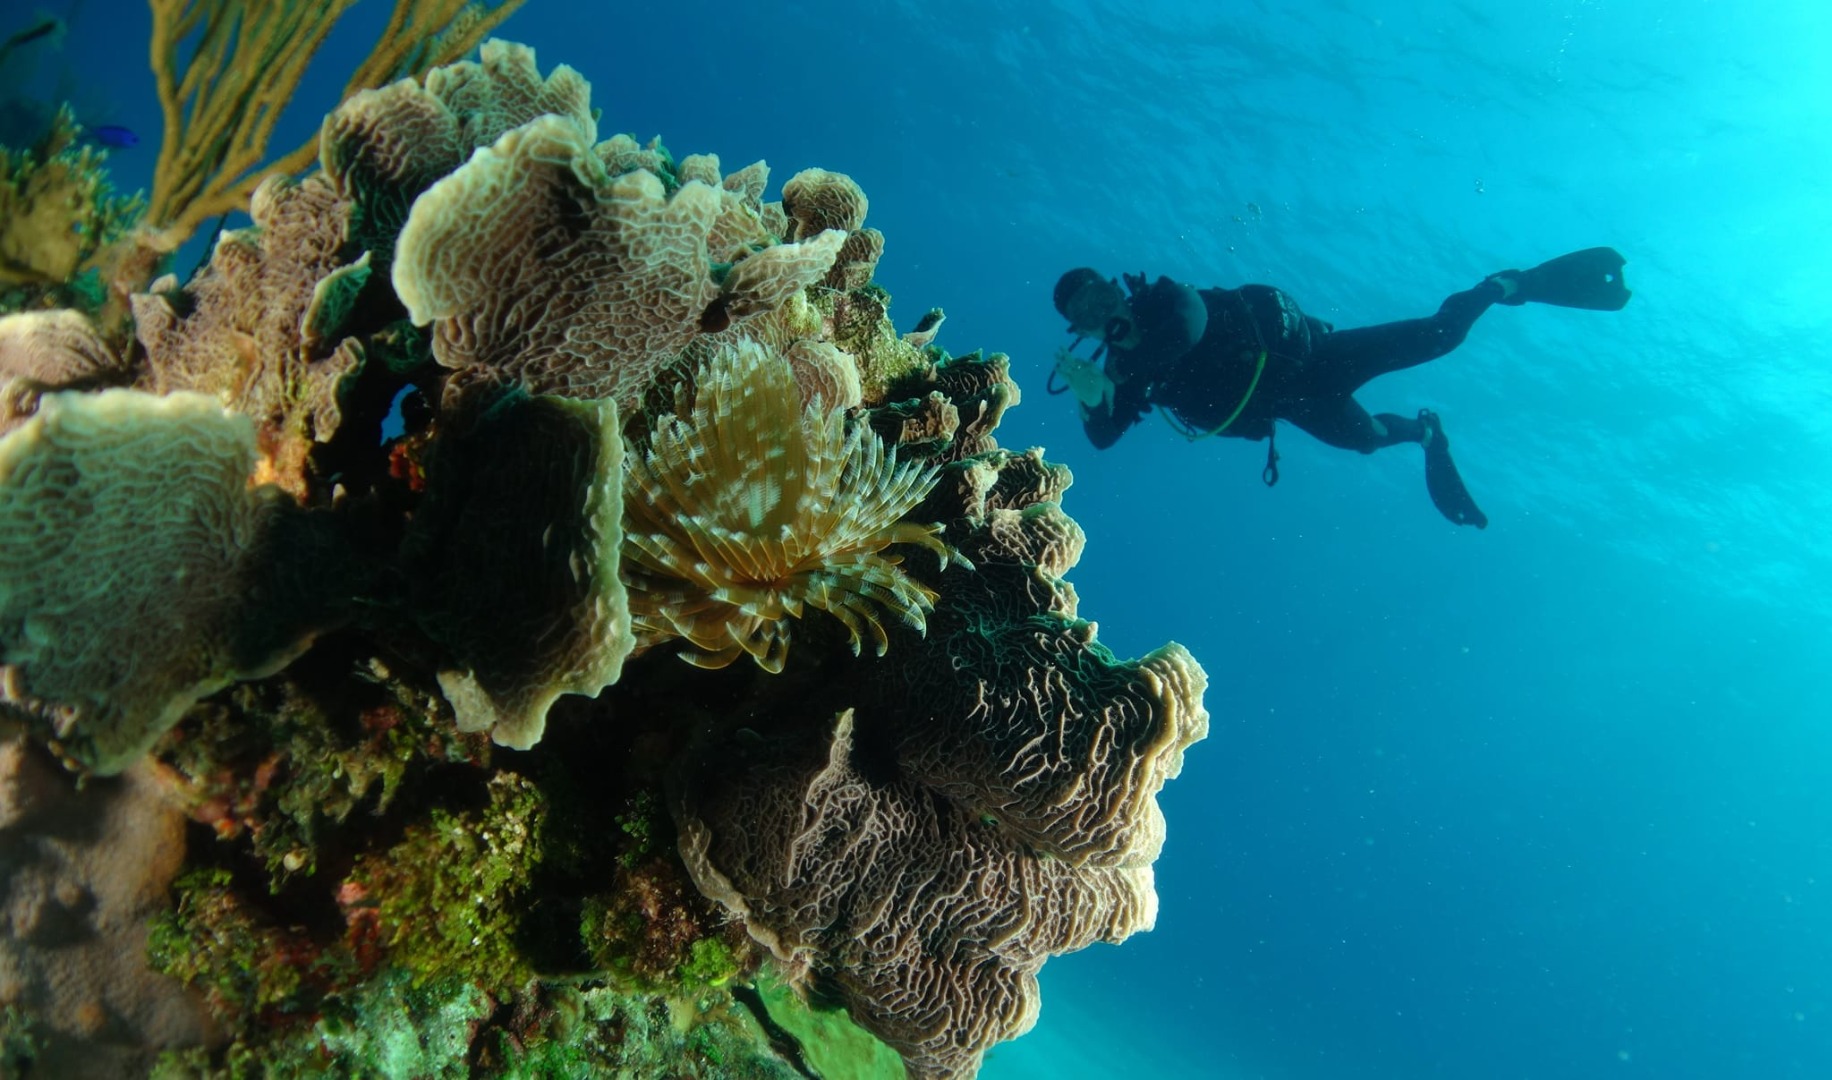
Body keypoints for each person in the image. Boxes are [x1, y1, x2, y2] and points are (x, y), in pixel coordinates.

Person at [1049, 248, 1632, 528]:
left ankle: (1505, 285)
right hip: (1294, 403)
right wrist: (1091, 398)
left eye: (1101, 294)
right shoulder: (1119, 374)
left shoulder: (1164, 300)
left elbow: (1188, 328)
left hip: (1317, 358)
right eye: (1086, 313)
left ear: (1115, 289)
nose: (1102, 310)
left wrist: (1124, 376)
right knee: (1369, 439)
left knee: (1441, 335)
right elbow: (1103, 438)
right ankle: (1426, 433)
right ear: (1080, 330)